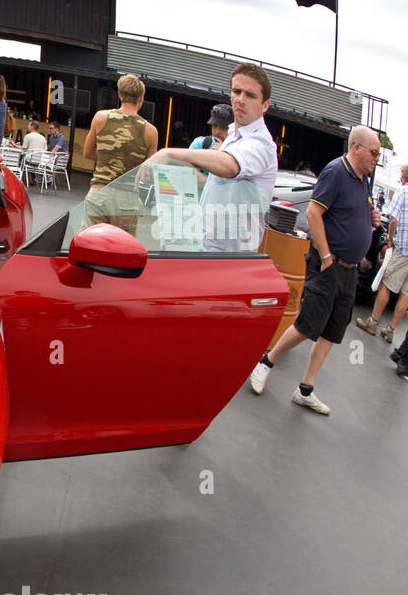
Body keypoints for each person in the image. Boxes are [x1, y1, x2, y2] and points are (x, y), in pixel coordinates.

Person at [248, 127, 385, 415]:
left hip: (349, 271)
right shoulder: (336, 171)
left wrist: (371, 217)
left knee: (333, 331)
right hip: (328, 264)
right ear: (357, 148)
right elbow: (312, 213)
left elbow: (353, 213)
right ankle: (267, 361)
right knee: (307, 324)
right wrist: (325, 255)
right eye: (374, 152)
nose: (377, 158)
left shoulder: (364, 180)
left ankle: (305, 389)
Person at [145, 64, 277, 250]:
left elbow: (231, 165)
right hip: (204, 249)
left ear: (265, 105)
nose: (240, 99)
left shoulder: (261, 143)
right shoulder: (232, 136)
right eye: (236, 91)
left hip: (228, 261)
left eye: (250, 95)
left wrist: (168, 153)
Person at [83, 74, 158, 233]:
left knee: (90, 246)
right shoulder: (151, 131)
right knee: (121, 250)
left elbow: (87, 153)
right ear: (141, 98)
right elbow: (148, 173)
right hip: (127, 199)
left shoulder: (101, 117)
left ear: (120, 94)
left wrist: (107, 158)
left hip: (99, 193)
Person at [355, 163, 408, 344]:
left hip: (403, 249)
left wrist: (391, 239)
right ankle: (391, 330)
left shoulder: (403, 191)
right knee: (406, 294)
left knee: (386, 283)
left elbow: (393, 220)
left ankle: (373, 322)